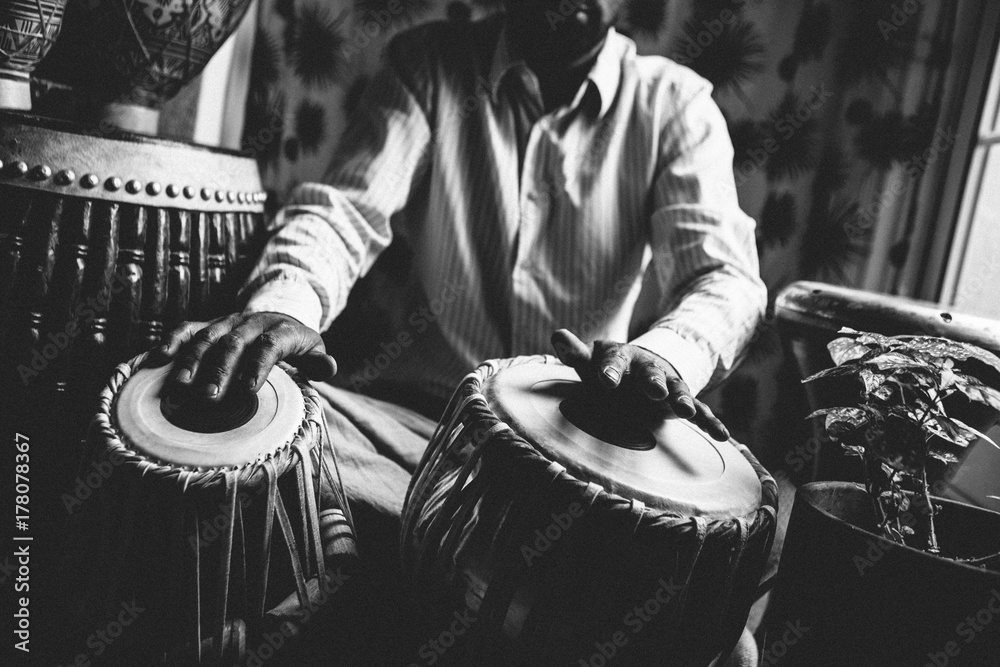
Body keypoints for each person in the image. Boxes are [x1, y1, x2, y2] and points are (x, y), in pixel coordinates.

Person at [152, 0, 766, 662]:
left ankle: (394, 576)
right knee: (257, 428)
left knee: (726, 645)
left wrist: (662, 354)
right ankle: (448, 577)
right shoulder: (429, 66)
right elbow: (343, 215)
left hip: (581, 472)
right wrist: (286, 305)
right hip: (414, 438)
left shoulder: (674, 106)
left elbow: (723, 279)